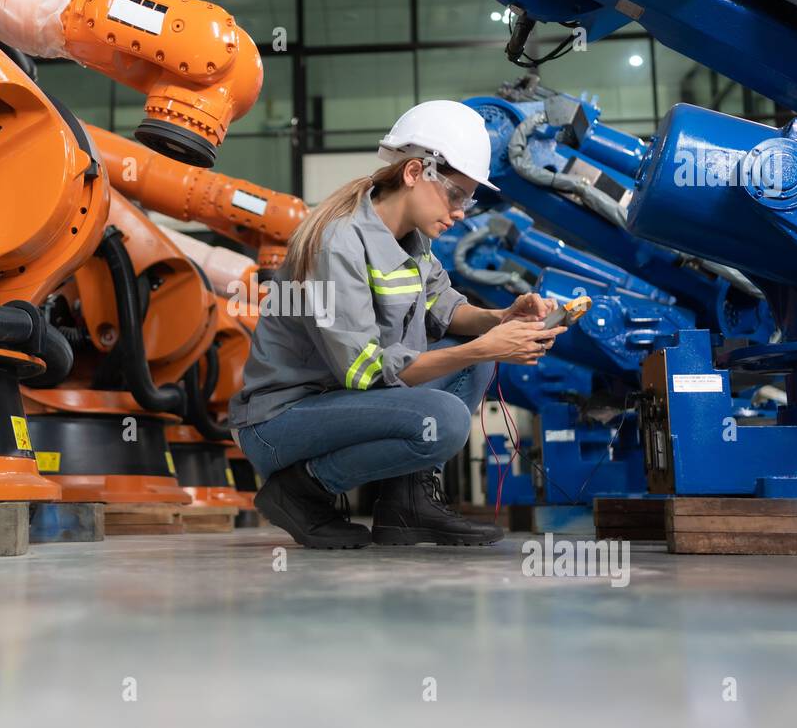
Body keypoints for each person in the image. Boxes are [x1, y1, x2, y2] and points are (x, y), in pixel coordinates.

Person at [228, 101, 566, 549]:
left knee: (474, 361)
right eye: (456, 195)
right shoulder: (338, 244)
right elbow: (366, 372)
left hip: (341, 403)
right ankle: (301, 490)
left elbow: (444, 305)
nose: (462, 211)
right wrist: (489, 346)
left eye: (468, 199)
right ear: (414, 173)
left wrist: (500, 318)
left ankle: (407, 505)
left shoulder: (414, 240)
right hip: (281, 422)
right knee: (444, 416)